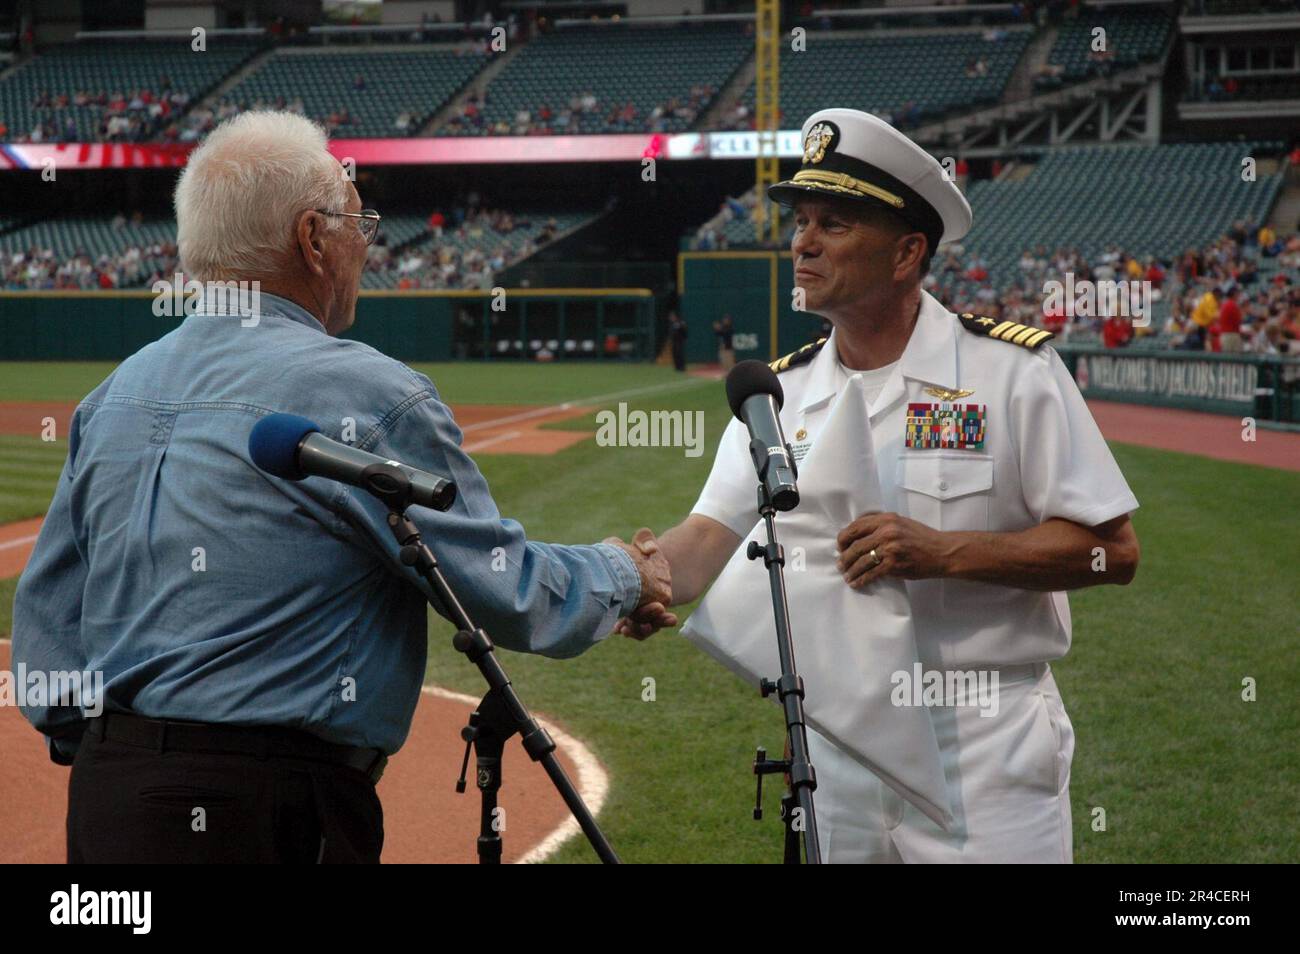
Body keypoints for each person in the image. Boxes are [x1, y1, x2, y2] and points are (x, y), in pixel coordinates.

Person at [11, 111, 674, 864]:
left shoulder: (114, 394)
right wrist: (625, 571)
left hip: (108, 803)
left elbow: (48, 627)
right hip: (275, 809)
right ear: (312, 238)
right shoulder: (367, 389)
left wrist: (121, 755)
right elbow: (508, 594)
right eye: (362, 222)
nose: (370, 245)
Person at [619, 108, 1140, 863]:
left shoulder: (1010, 373)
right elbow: (707, 537)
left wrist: (945, 552)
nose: (802, 242)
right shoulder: (777, 393)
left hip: (985, 748)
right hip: (841, 744)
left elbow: (1112, 552)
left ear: (906, 252)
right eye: (801, 221)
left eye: (833, 223)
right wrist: (641, 576)